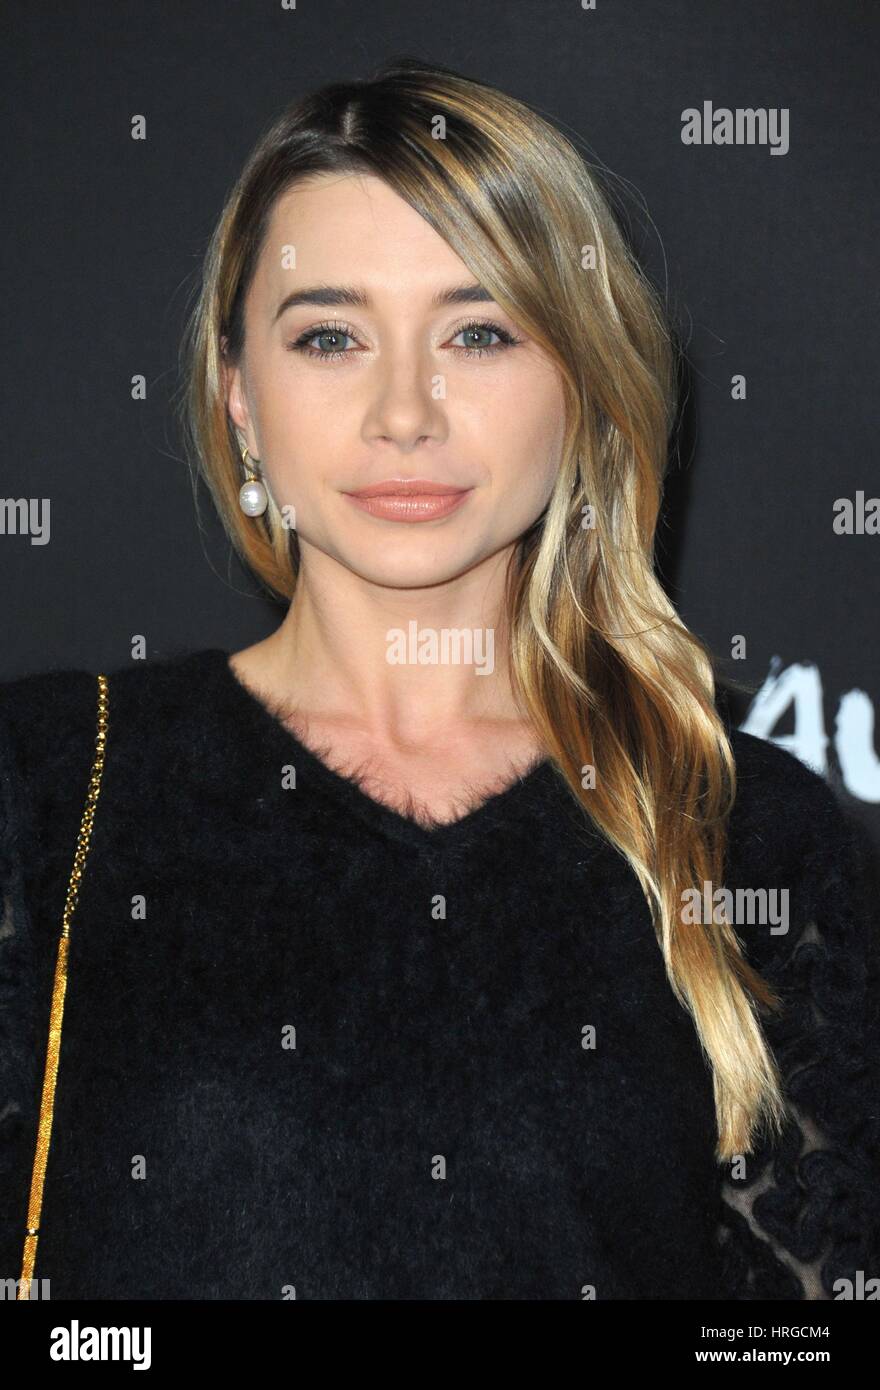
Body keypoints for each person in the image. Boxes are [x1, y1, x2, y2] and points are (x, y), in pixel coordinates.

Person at [1, 56, 877, 1301]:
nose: (404, 411)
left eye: (477, 332)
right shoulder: (43, 789)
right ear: (239, 396)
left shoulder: (744, 829)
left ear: (581, 384)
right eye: (330, 336)